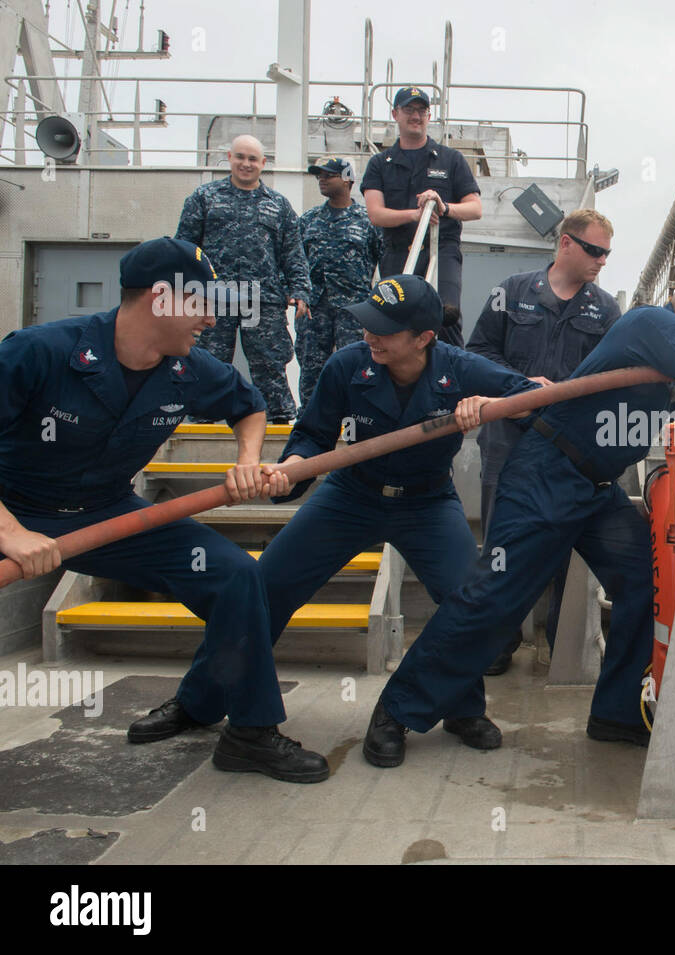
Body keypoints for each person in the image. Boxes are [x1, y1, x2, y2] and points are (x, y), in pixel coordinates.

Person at [362, 267, 675, 766]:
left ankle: (616, 715)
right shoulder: (656, 326)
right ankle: (395, 712)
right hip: (545, 476)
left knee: (643, 579)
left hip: (595, 490)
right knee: (494, 596)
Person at [0, 237, 324, 783]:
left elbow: (248, 406)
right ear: (161, 299)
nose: (211, 321)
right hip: (15, 511)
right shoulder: (39, 352)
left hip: (108, 515)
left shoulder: (188, 369)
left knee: (236, 577)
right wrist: (10, 532)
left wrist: (246, 461)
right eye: (201, 305)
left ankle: (247, 731)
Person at [258, 275, 538, 753]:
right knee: (265, 587)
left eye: (384, 331)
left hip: (426, 502)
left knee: (467, 600)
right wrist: (292, 467)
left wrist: (492, 404)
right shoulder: (348, 365)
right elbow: (311, 435)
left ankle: (462, 708)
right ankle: (203, 698)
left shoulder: (460, 368)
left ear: (424, 338)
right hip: (351, 493)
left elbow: (533, 399)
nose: (370, 337)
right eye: (368, 325)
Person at [467, 208, 621, 675]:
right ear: (566, 243)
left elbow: (611, 377)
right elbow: (478, 353)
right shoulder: (512, 292)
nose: (601, 261)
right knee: (500, 545)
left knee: (559, 545)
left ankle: (558, 642)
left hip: (564, 449)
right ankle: (496, 643)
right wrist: (520, 384)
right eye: (594, 251)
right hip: (507, 441)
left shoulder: (607, 309)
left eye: (607, 254)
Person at [175, 133, 312, 422]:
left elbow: (292, 253)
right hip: (215, 296)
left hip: (262, 299)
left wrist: (300, 289)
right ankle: (204, 418)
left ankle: (278, 418)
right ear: (230, 158)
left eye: (252, 159)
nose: (246, 164)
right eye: (240, 157)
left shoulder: (278, 204)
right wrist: (184, 291)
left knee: (269, 362)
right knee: (208, 361)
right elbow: (185, 247)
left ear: (263, 163)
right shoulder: (204, 198)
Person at [360, 86, 482, 347]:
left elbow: (475, 208)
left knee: (445, 315)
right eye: (409, 110)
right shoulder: (380, 164)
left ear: (429, 116)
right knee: (395, 321)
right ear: (395, 114)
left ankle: (452, 381)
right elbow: (376, 214)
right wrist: (415, 215)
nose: (416, 116)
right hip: (397, 252)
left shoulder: (451, 160)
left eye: (422, 111)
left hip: (442, 250)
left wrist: (443, 208)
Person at [296, 156, 383, 405]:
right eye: (319, 175)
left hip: (354, 308)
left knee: (357, 365)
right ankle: (311, 420)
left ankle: (358, 416)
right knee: (311, 368)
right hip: (315, 308)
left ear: (347, 179)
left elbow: (385, 262)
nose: (321, 180)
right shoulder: (308, 220)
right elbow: (294, 261)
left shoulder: (368, 221)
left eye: (328, 175)